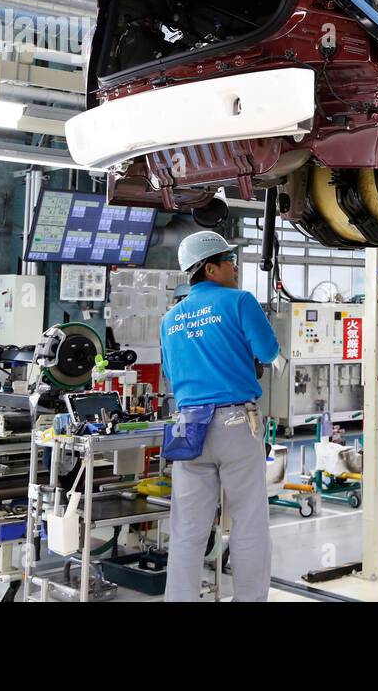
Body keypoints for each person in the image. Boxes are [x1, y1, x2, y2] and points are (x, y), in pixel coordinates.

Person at [160, 230, 279, 601]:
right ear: (210, 268)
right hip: (235, 424)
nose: (236, 268)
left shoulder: (169, 319)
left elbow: (169, 372)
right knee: (248, 522)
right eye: (230, 261)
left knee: (187, 529)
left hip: (187, 427)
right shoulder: (240, 301)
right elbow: (270, 351)